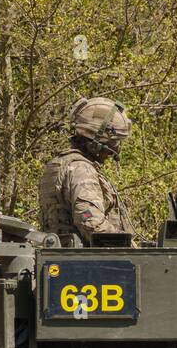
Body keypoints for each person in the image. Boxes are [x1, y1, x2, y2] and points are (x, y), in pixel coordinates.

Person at [38, 96, 134, 245]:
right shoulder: (81, 169)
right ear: (96, 142)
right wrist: (127, 247)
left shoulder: (59, 163)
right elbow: (90, 221)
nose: (115, 149)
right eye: (113, 142)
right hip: (86, 261)